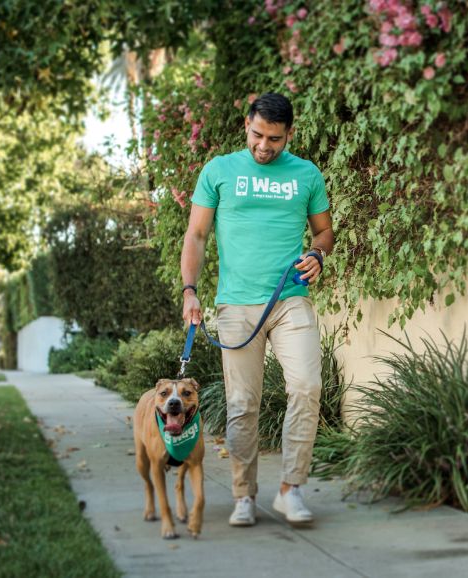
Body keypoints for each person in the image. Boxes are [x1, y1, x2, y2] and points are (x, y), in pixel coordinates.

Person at [181, 92, 334, 527]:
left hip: (290, 299)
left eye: (275, 139)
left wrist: (319, 255)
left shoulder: (306, 174)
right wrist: (190, 290)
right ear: (246, 124)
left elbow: (324, 232)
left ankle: (291, 489)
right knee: (243, 404)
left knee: (306, 386)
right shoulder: (219, 171)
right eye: (258, 135)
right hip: (236, 303)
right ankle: (244, 495)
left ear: (290, 134)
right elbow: (195, 235)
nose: (265, 146)